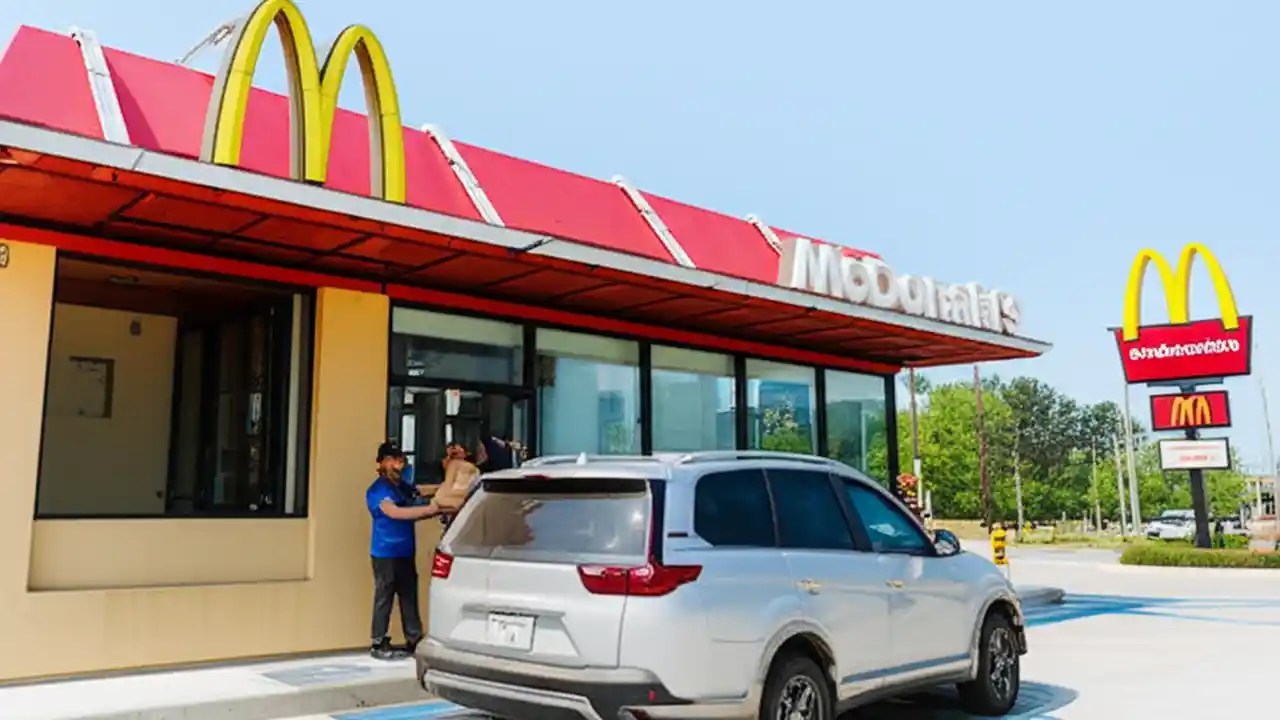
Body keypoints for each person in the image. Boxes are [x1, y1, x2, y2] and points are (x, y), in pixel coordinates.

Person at [367, 441, 441, 660]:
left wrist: (449, 489)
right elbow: (395, 513)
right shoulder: (377, 490)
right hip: (384, 553)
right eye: (391, 460)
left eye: (399, 460)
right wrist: (431, 510)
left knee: (409, 595)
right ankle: (378, 641)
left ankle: (414, 639)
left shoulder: (401, 485)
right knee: (385, 596)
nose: (396, 465)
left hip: (405, 551)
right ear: (381, 463)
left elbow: (421, 491)